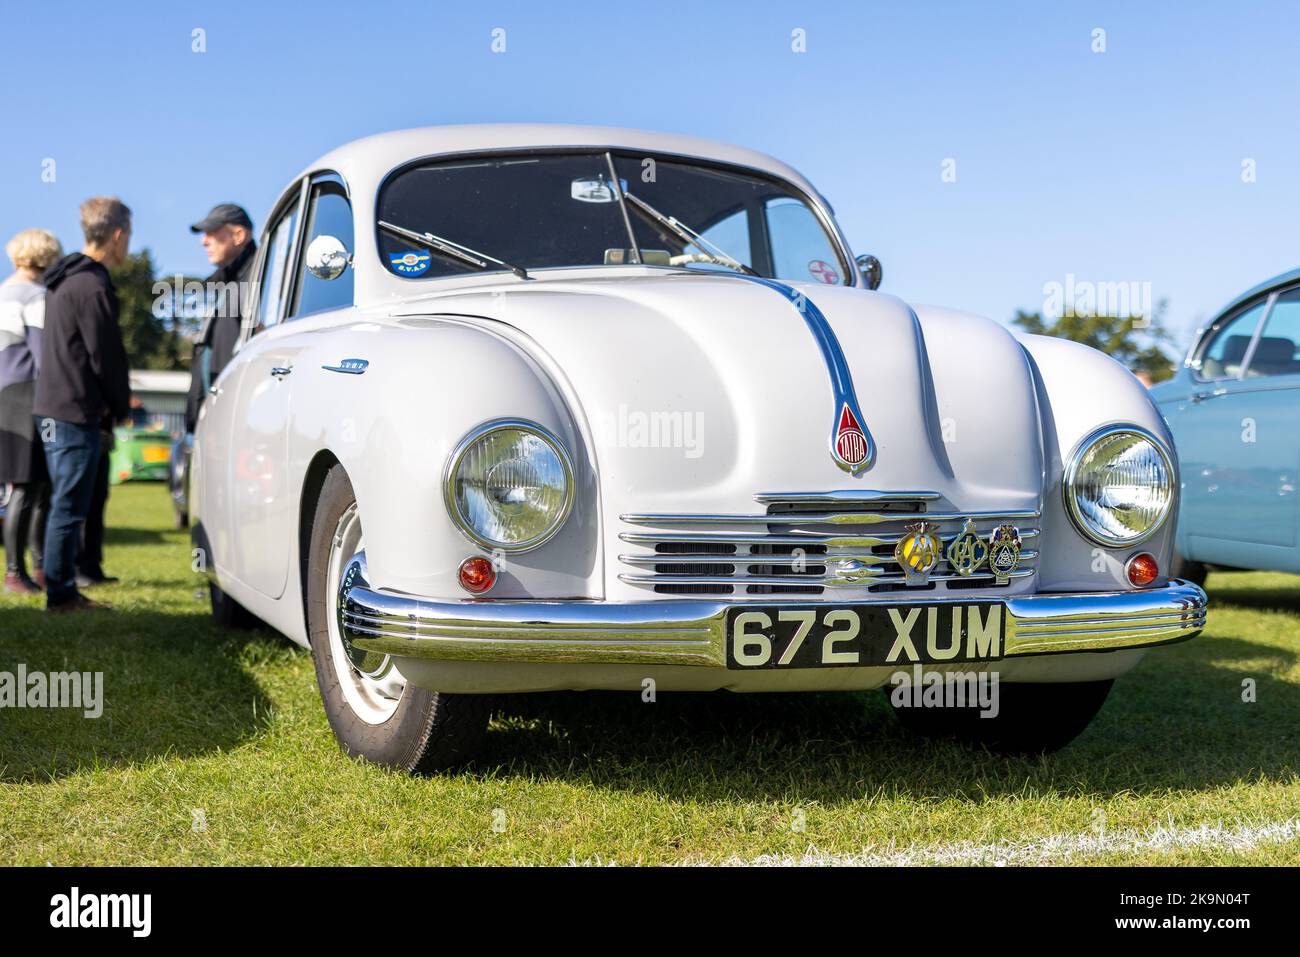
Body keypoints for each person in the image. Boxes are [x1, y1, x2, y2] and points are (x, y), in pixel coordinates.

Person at [33, 197, 132, 612]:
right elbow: (104, 354)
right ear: (118, 234)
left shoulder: (63, 280)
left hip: (53, 405)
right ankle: (61, 593)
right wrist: (120, 403)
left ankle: (62, 585)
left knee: (64, 501)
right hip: (74, 410)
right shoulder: (91, 285)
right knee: (70, 505)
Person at [0, 229, 61, 593]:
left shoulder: (3, 291)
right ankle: (20, 571)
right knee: (31, 484)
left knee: (23, 484)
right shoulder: (37, 296)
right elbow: (44, 355)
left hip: (5, 393)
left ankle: (29, 568)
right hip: (29, 393)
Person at [184, 203, 256, 433]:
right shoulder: (229, 284)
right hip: (215, 423)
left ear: (239, 235)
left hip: (237, 423)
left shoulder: (257, 279)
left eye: (212, 232)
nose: (204, 241)